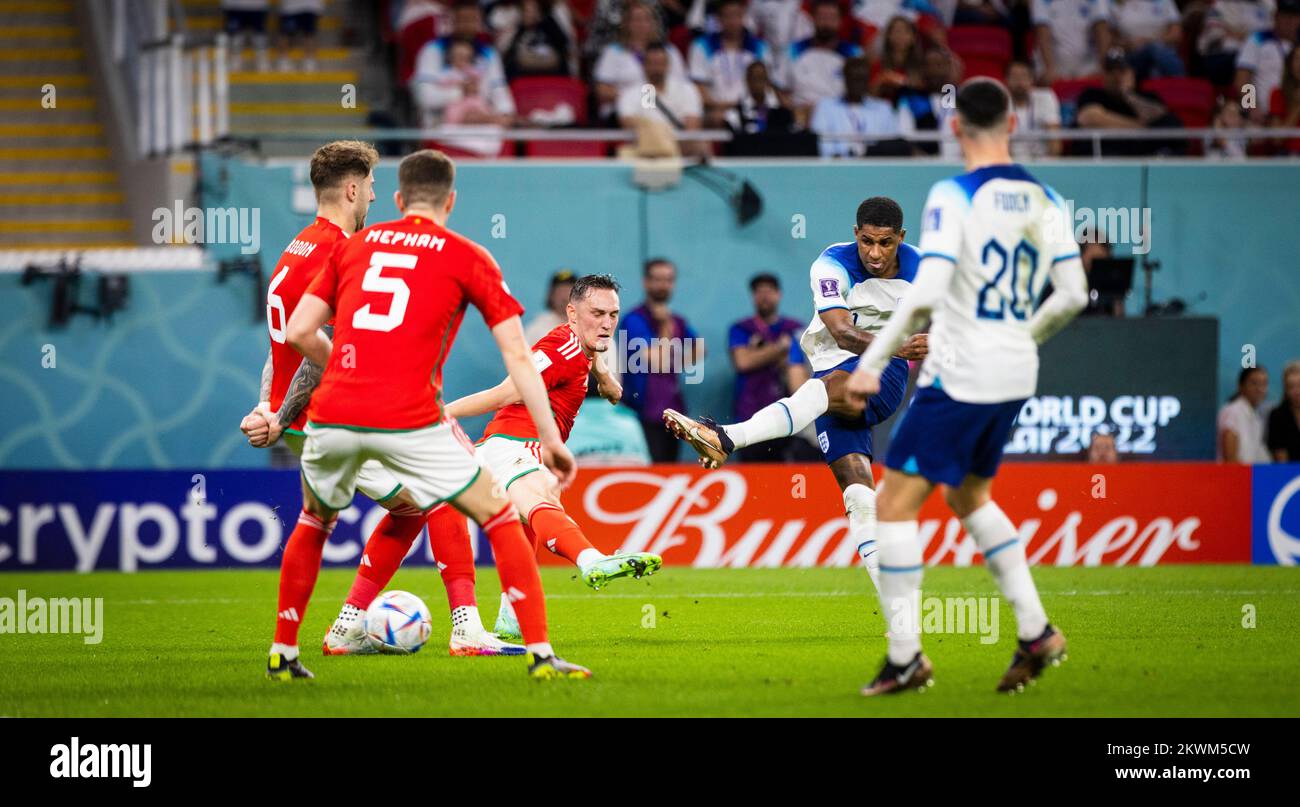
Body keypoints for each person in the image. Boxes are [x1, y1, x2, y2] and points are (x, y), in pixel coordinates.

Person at [273, 148, 590, 681]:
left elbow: (301, 331)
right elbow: (518, 355)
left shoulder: (356, 247)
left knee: (314, 521)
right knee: (498, 515)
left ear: (397, 199)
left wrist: (326, 386)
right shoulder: (466, 255)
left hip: (333, 415)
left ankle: (283, 654)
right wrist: (551, 438)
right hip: (407, 416)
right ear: (452, 200)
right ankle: (534, 653)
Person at [845, 77, 1088, 696]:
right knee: (970, 497)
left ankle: (905, 657)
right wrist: (1023, 337)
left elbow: (927, 290)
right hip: (1014, 371)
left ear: (956, 128)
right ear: (1013, 124)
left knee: (894, 503)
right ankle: (1035, 631)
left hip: (963, 370)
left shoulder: (953, 195)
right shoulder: (1048, 198)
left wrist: (872, 358)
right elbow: (1075, 294)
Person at [239, 141, 523, 661]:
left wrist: (271, 407)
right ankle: (467, 627)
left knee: (411, 506)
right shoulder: (340, 250)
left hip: (312, 417)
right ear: (352, 188)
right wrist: (283, 413)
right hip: (348, 411)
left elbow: (280, 343)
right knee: (447, 485)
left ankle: (346, 628)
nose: (373, 194)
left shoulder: (298, 245)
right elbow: (314, 348)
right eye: (369, 186)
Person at [322, 274, 662, 646]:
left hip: (498, 446)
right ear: (571, 313)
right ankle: (589, 559)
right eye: (597, 313)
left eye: (613, 314)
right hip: (516, 443)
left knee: (457, 517)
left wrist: (606, 379)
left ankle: (509, 614)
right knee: (539, 499)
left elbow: (588, 356)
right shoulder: (561, 346)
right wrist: (437, 416)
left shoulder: (581, 344)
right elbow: (505, 393)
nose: (607, 322)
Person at [662, 197, 929, 596]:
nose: (875, 253)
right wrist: (900, 344)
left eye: (886, 243)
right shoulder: (830, 265)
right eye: (868, 241)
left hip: (880, 373)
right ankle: (898, 601)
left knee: (827, 389)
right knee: (858, 493)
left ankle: (726, 438)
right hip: (839, 371)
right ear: (856, 234)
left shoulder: (925, 268)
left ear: (901, 239)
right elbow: (842, 334)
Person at [621, 258, 703, 462]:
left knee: (670, 470)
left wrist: (677, 361)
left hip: (673, 413)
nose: (663, 285)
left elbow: (700, 350)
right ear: (646, 282)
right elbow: (657, 362)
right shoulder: (634, 319)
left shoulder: (679, 321)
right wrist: (666, 327)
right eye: (657, 279)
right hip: (642, 413)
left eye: (668, 279)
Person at [727, 273, 807, 461]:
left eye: (769, 291)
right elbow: (743, 362)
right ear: (753, 296)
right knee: (752, 474)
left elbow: (799, 366)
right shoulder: (741, 328)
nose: (764, 297)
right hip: (750, 414)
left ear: (778, 295)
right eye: (759, 292)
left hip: (787, 415)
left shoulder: (794, 327)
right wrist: (780, 348)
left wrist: (760, 351)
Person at [410, 0, 515, 131]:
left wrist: (506, 113)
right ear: (452, 21)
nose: (468, 25)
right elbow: (424, 97)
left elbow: (499, 89)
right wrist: (460, 92)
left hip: (483, 120)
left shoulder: (489, 53)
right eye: (463, 19)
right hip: (442, 122)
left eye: (473, 20)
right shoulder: (432, 50)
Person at [1075, 48, 1184, 156]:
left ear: (1132, 73)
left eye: (1122, 71)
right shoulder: (1092, 94)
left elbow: (1160, 117)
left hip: (1144, 157)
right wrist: (1142, 128)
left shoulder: (1148, 96)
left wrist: (1128, 95)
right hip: (1107, 158)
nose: (1116, 76)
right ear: (1104, 75)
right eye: (1111, 71)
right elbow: (1088, 118)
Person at [593, 1, 689, 120]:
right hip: (624, 112)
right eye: (636, 20)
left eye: (646, 19)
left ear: (654, 23)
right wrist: (635, 98)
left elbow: (681, 85)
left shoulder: (670, 51)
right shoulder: (613, 52)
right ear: (626, 23)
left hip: (666, 109)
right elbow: (602, 90)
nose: (641, 24)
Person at [689, 0, 774, 125]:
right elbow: (699, 88)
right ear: (719, 19)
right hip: (717, 110)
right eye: (727, 16)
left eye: (737, 15)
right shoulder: (702, 46)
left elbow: (767, 85)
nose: (732, 21)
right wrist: (725, 107)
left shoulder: (760, 47)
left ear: (743, 16)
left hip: (753, 108)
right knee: (718, 118)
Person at [778, 0, 866, 120]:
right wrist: (793, 111)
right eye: (822, 17)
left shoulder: (854, 53)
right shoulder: (794, 50)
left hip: (841, 118)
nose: (826, 23)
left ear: (840, 21)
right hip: (800, 117)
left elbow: (863, 93)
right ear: (812, 18)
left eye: (831, 18)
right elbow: (781, 89)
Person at [811, 55, 902, 156]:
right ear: (845, 78)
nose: (857, 83)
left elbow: (892, 146)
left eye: (862, 79)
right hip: (838, 168)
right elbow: (822, 146)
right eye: (853, 78)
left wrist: (867, 153)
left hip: (875, 166)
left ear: (868, 80)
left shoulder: (883, 109)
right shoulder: (826, 107)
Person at [1235, 0, 1299, 123]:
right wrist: (1250, 106)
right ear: (1275, 16)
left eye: (1294, 16)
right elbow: (1242, 78)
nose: (1289, 21)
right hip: (1263, 116)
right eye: (1285, 16)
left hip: (1294, 115)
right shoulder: (1257, 39)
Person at [1031, 0, 1115, 82]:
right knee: (1045, 77)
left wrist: (1103, 66)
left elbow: (1102, 31)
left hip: (1088, 63)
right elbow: (1042, 35)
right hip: (1055, 62)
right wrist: (1050, 68)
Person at [1112, 0, 1185, 80]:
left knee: (1154, 51)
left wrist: (1148, 41)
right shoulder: (1117, 3)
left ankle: (1177, 83)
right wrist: (1128, 44)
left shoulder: (1165, 2)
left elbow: (1176, 35)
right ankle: (1180, 81)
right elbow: (1112, 39)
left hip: (1160, 52)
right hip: (1132, 55)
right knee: (1154, 50)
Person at [502, 0, 574, 80]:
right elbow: (509, 54)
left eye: (533, 9)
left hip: (552, 75)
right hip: (524, 77)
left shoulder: (550, 25)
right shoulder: (519, 30)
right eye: (526, 10)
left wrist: (542, 22)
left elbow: (563, 44)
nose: (530, 14)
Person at [1005, 60, 1062, 158]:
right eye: (1014, 77)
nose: (1019, 82)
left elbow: (1055, 141)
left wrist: (1051, 166)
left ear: (1032, 79)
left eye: (1024, 76)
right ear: (1007, 80)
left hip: (1044, 160)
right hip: (1013, 161)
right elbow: (1002, 145)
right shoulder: (1001, 103)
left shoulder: (1046, 97)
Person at [1218, 366, 1271, 463]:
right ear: (1241, 386)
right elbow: (1230, 459)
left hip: (1249, 475)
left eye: (1264, 384)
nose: (1259, 389)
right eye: (1254, 383)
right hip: (1234, 476)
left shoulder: (1256, 417)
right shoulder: (1233, 411)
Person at [525, 269, 576, 344]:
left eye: (569, 291)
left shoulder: (588, 327)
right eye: (560, 292)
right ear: (551, 295)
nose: (565, 297)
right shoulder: (537, 329)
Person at [1268, 360, 1300, 461]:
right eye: (1291, 386)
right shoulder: (1278, 415)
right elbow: (1280, 457)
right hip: (1290, 474)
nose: (1296, 391)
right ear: (1285, 389)